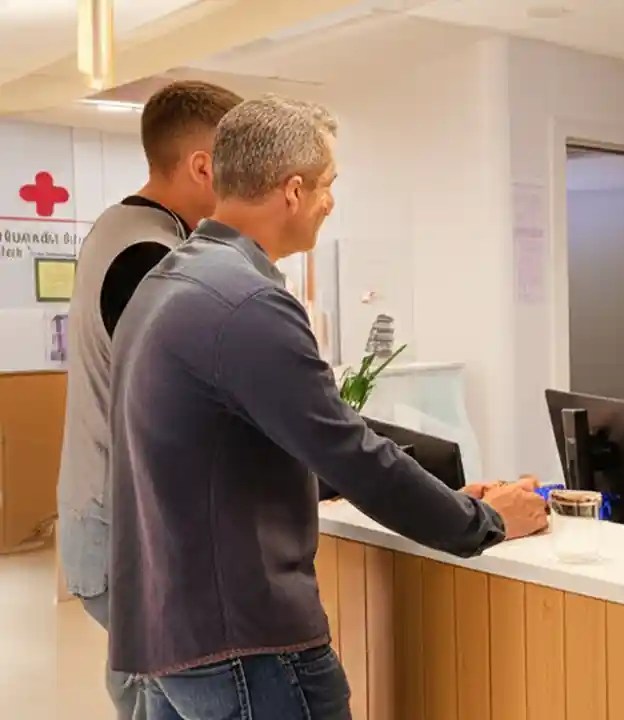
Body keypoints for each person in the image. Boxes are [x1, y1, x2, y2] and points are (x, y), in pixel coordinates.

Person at [106, 95, 549, 718]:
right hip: (246, 646)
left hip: (170, 636)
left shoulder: (168, 283)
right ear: (291, 190)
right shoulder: (246, 303)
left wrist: (439, 496)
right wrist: (485, 521)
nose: (330, 201)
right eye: (326, 185)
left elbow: (210, 451)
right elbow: (354, 456)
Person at [56, 79, 243, 719]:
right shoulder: (154, 258)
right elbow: (185, 409)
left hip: (103, 521)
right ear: (204, 166)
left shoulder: (120, 226)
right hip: (124, 535)